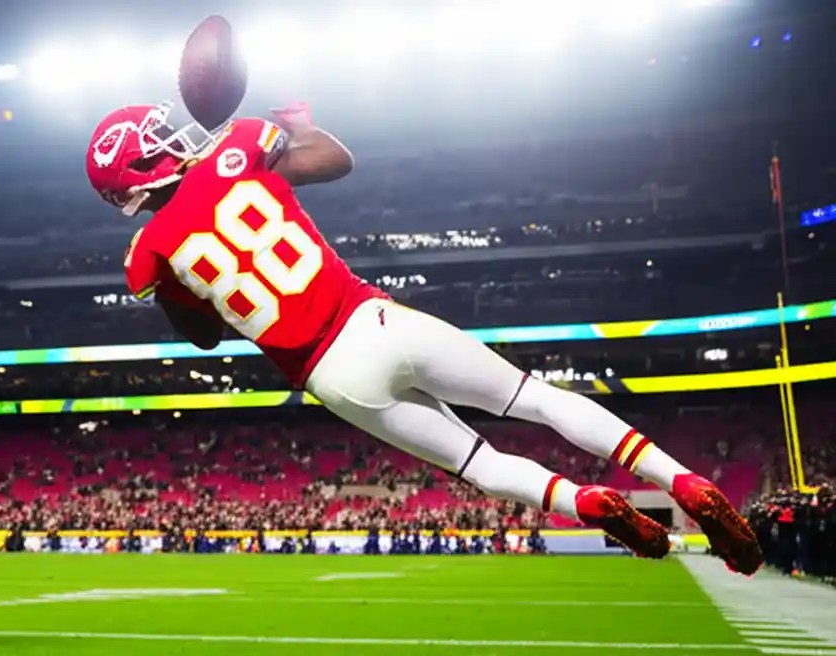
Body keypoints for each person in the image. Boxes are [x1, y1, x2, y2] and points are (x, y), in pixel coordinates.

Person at [84, 101, 762, 575]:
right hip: (374, 317)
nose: (173, 135)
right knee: (535, 398)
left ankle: (585, 502)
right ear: (149, 158)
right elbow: (334, 161)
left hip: (333, 376)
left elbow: (203, 339)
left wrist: (179, 276)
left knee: (481, 467)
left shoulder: (149, 257)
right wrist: (296, 128)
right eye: (160, 136)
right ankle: (685, 482)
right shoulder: (237, 150)